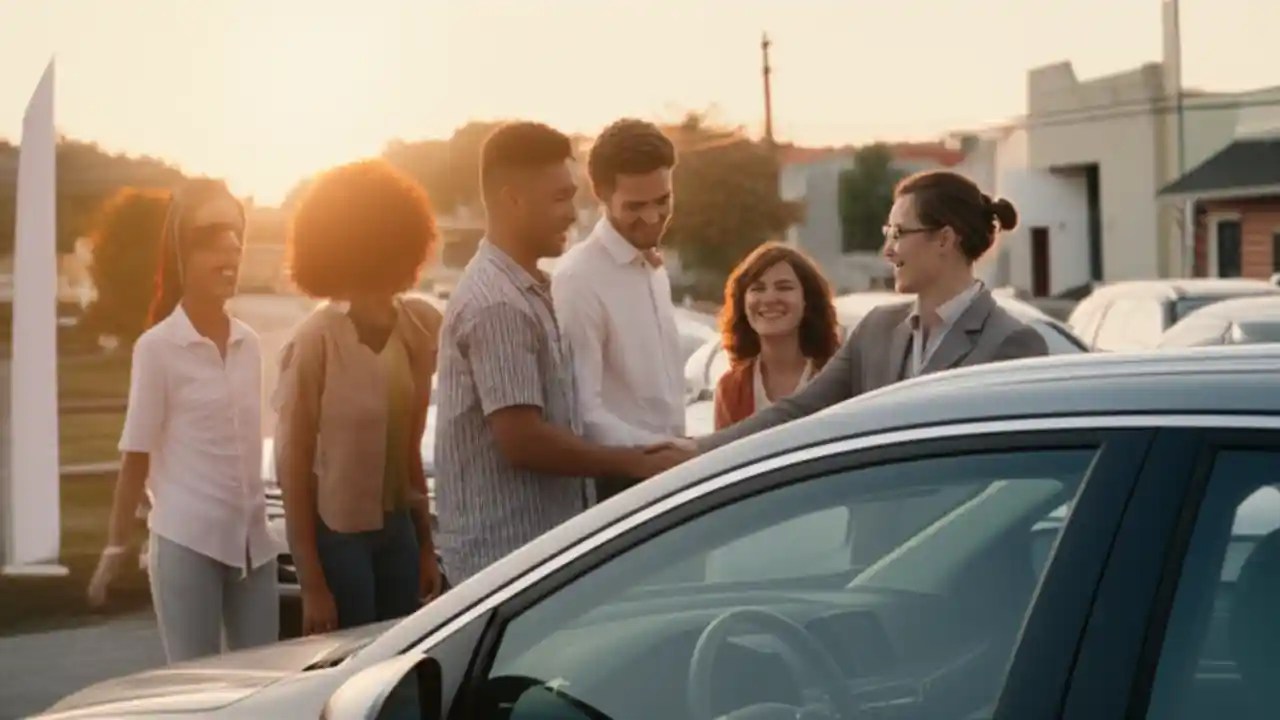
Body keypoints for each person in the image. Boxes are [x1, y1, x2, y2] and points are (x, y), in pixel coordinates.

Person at [433, 121, 685, 584]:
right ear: (512, 200)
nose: (573, 214)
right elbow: (522, 440)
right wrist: (637, 462)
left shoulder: (527, 288)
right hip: (503, 564)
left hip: (534, 555)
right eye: (560, 198)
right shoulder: (498, 303)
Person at [667, 169, 1048, 457]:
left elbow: (1015, 472)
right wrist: (696, 449)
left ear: (945, 239)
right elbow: (797, 412)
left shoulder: (1011, 343)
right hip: (873, 552)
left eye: (898, 234)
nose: (887, 250)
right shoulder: (876, 331)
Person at [87, 179, 278, 662]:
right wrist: (115, 549)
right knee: (195, 691)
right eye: (214, 234)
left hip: (255, 545)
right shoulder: (156, 349)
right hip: (186, 542)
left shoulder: (250, 344)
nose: (232, 246)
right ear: (181, 251)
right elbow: (136, 453)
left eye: (237, 233)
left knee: (262, 693)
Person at [273, 159, 443, 636]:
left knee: (402, 662)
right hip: (338, 537)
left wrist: (425, 544)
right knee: (351, 665)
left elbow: (409, 449)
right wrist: (312, 584)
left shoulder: (417, 327)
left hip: (398, 533)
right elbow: (293, 465)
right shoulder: (315, 341)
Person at [551, 119, 684, 501]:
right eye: (636, 206)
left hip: (672, 476)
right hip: (620, 487)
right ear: (602, 197)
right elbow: (583, 413)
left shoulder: (655, 270)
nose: (653, 217)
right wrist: (666, 453)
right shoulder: (579, 278)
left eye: (663, 201)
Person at [713, 242, 841, 429]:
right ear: (743, 303)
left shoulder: (837, 380)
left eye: (784, 287)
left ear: (807, 300)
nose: (770, 299)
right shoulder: (730, 389)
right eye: (758, 288)